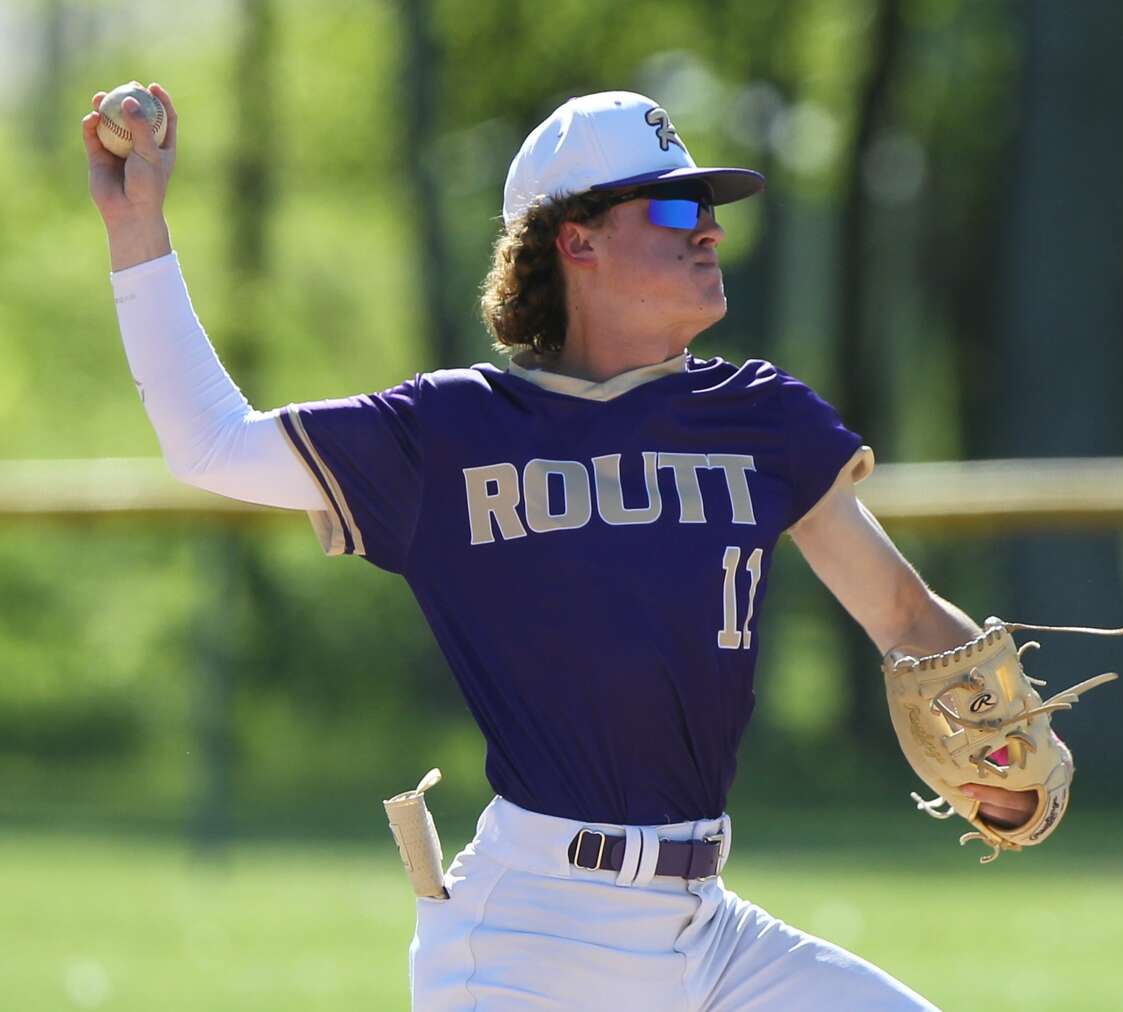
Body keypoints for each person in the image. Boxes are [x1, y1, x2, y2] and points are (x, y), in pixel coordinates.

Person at [84, 84, 1038, 1010]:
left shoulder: (758, 417)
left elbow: (906, 615)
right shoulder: (453, 431)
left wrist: (1004, 751)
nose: (706, 226)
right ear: (573, 239)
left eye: (708, 205)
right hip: (528, 939)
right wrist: (138, 228)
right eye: (671, 204)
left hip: (706, 933)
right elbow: (210, 442)